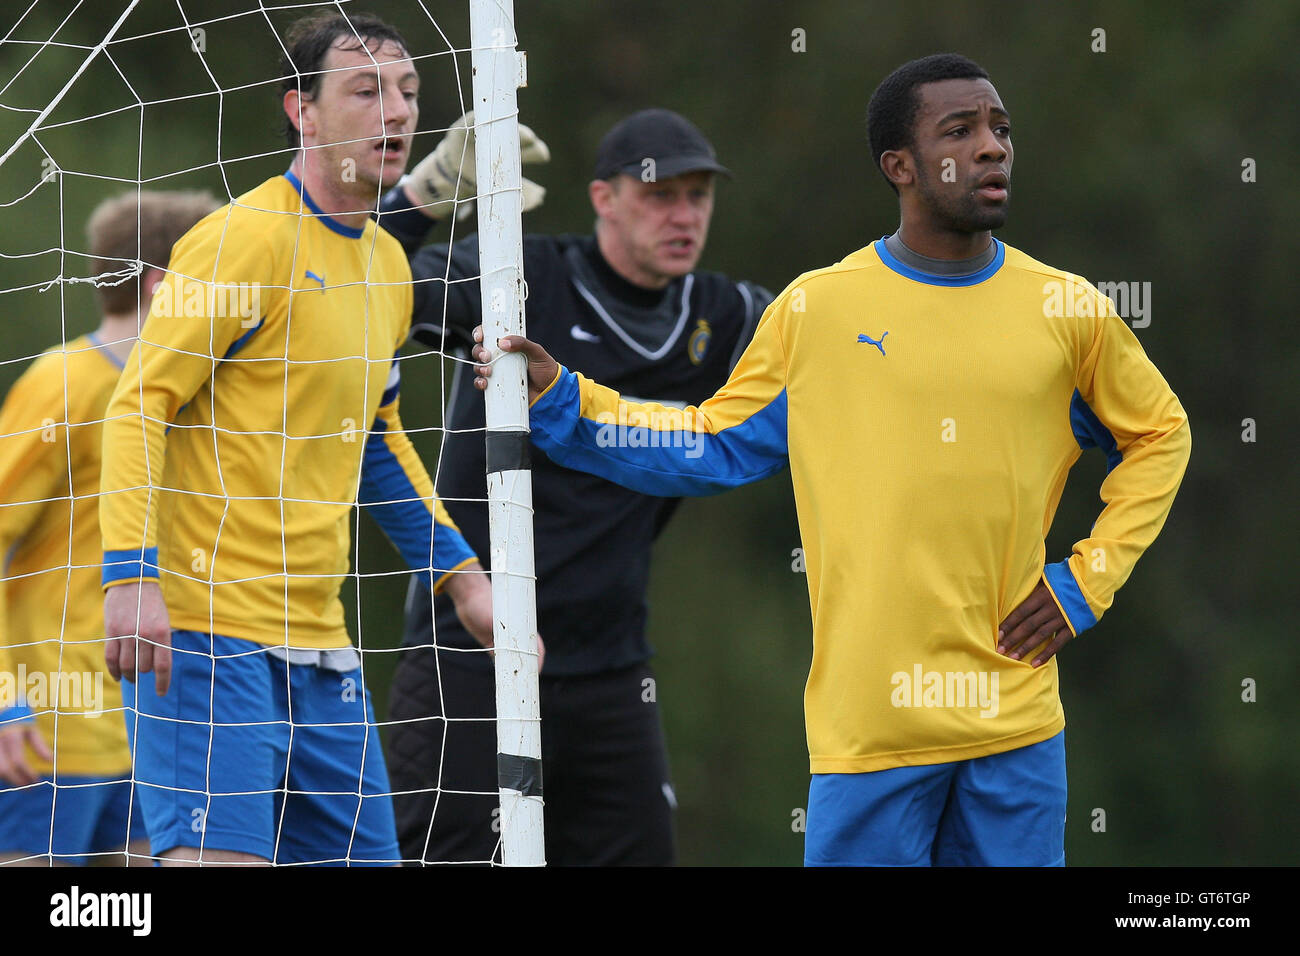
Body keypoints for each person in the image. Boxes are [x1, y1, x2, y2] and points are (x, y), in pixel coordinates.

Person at [470, 54, 1193, 867]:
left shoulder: (1068, 311)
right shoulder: (817, 308)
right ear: (901, 166)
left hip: (1017, 731)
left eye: (1000, 128)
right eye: (960, 131)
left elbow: (1161, 435)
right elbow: (710, 443)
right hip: (869, 736)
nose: (992, 146)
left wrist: (1084, 584)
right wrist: (563, 399)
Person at [97, 11, 494, 867]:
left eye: (409, 92)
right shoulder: (241, 241)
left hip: (320, 648)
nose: (395, 112)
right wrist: (129, 576)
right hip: (205, 635)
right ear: (301, 112)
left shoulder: (388, 266)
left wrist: (460, 576)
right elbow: (137, 406)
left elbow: (376, 438)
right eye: (365, 90)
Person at [376, 108, 772, 864]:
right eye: (660, 195)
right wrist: (417, 200)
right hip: (470, 646)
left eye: (699, 196)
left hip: (611, 668)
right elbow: (365, 288)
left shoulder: (725, 317)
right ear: (603, 198)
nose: (683, 215)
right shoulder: (518, 274)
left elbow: (845, 341)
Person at [0, 189, 218, 866]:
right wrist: (5, 702)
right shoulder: (64, 382)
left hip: (143, 728)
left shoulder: (184, 398)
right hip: (43, 732)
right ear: (162, 286)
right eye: (213, 281)